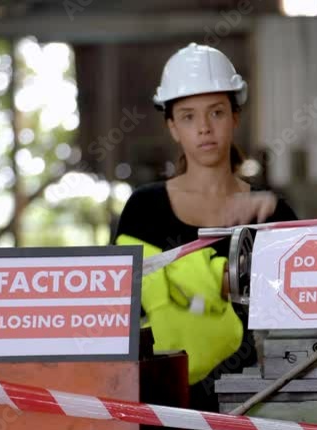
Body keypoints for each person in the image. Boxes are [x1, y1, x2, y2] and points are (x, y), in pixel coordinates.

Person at [113, 42, 297, 389]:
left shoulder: (269, 212)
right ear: (172, 127)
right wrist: (223, 278)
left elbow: (302, 298)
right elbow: (125, 296)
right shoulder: (144, 209)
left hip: (257, 394)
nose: (204, 128)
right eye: (188, 116)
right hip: (164, 398)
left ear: (235, 117)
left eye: (216, 113)